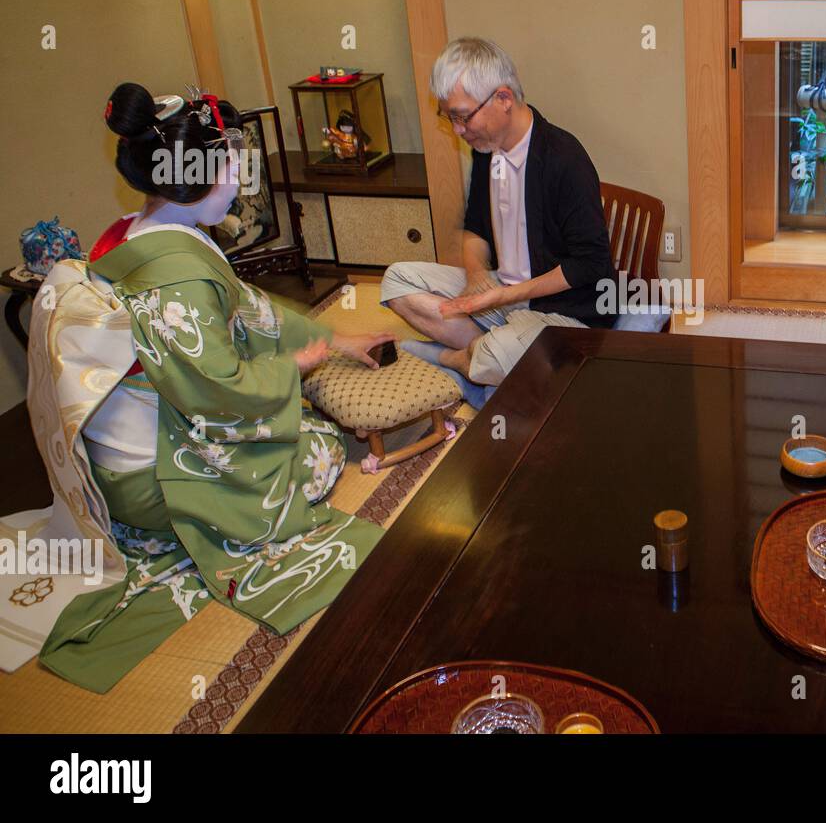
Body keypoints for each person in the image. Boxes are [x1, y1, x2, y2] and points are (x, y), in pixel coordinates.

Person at [9, 83, 391, 693]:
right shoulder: (176, 278)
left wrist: (329, 340)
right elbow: (219, 388)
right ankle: (186, 526)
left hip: (132, 448)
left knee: (312, 430)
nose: (241, 183)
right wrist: (293, 367)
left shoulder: (135, 235)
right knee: (321, 452)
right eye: (231, 169)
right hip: (155, 475)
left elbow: (248, 310)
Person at [381, 37, 616, 386]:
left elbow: (591, 263)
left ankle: (456, 357)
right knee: (396, 282)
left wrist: (503, 296)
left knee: (504, 353)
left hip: (563, 310)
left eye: (463, 117)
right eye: (450, 119)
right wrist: (476, 276)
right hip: (501, 293)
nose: (459, 131)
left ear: (503, 98)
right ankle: (485, 351)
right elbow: (475, 227)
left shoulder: (564, 159)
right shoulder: (485, 149)